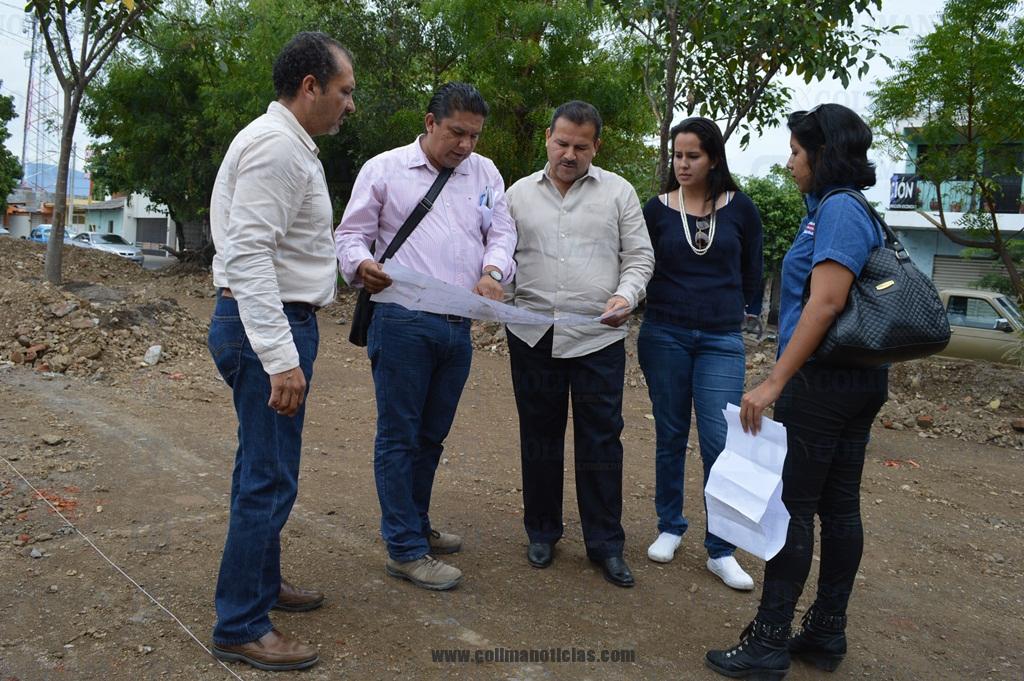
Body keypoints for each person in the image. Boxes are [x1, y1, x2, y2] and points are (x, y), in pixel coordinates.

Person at [705, 103, 888, 678]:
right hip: (857, 378)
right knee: (837, 508)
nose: (789, 164)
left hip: (825, 383)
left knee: (793, 508)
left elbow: (827, 301)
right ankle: (826, 632)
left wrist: (774, 380)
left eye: (795, 153)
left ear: (821, 155)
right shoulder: (853, 209)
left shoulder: (837, 210)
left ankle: (767, 643)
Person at [206, 32, 355, 672]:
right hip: (265, 324)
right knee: (268, 479)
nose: (351, 104)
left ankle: (260, 588)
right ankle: (241, 623)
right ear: (310, 87)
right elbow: (249, 256)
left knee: (262, 468)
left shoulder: (290, 145)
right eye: (344, 91)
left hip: (270, 321)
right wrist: (280, 355)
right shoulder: (277, 150)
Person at [335, 82, 516, 592]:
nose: (465, 146)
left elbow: (501, 230)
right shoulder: (384, 169)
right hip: (402, 320)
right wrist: (362, 264)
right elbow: (349, 235)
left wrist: (494, 271)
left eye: (474, 136)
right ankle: (404, 548)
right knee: (400, 434)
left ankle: (414, 523)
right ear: (430, 122)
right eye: (457, 133)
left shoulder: (485, 173)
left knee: (431, 435)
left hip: (458, 324)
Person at [505, 100, 654, 588]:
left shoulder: (619, 193)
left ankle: (606, 543)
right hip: (532, 334)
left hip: (597, 336)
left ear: (597, 146)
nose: (569, 154)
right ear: (547, 136)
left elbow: (639, 258)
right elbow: (500, 255)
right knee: (539, 436)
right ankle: (542, 531)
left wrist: (624, 294)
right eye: (562, 143)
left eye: (581, 146)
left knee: (601, 439)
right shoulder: (518, 194)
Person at [638, 117, 763, 591]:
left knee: (720, 442)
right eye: (677, 155)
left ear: (713, 157)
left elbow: (753, 270)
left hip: (720, 340)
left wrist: (739, 315)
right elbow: (640, 263)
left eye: (692, 155)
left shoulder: (741, 208)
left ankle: (721, 549)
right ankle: (670, 526)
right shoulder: (656, 209)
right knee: (670, 434)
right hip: (664, 334)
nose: (683, 164)